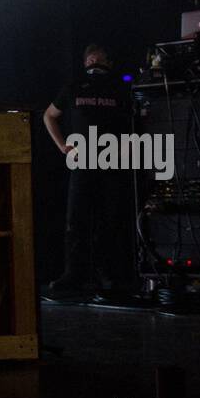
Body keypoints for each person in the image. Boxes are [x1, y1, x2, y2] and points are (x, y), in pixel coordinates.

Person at [42, 43, 134, 301]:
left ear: (109, 61)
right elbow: (49, 116)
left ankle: (109, 275)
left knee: (110, 220)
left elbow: (134, 121)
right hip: (81, 162)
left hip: (111, 162)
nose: (95, 58)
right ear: (84, 63)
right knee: (76, 220)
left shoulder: (119, 88)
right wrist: (62, 146)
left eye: (100, 55)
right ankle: (74, 274)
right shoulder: (74, 86)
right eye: (90, 56)